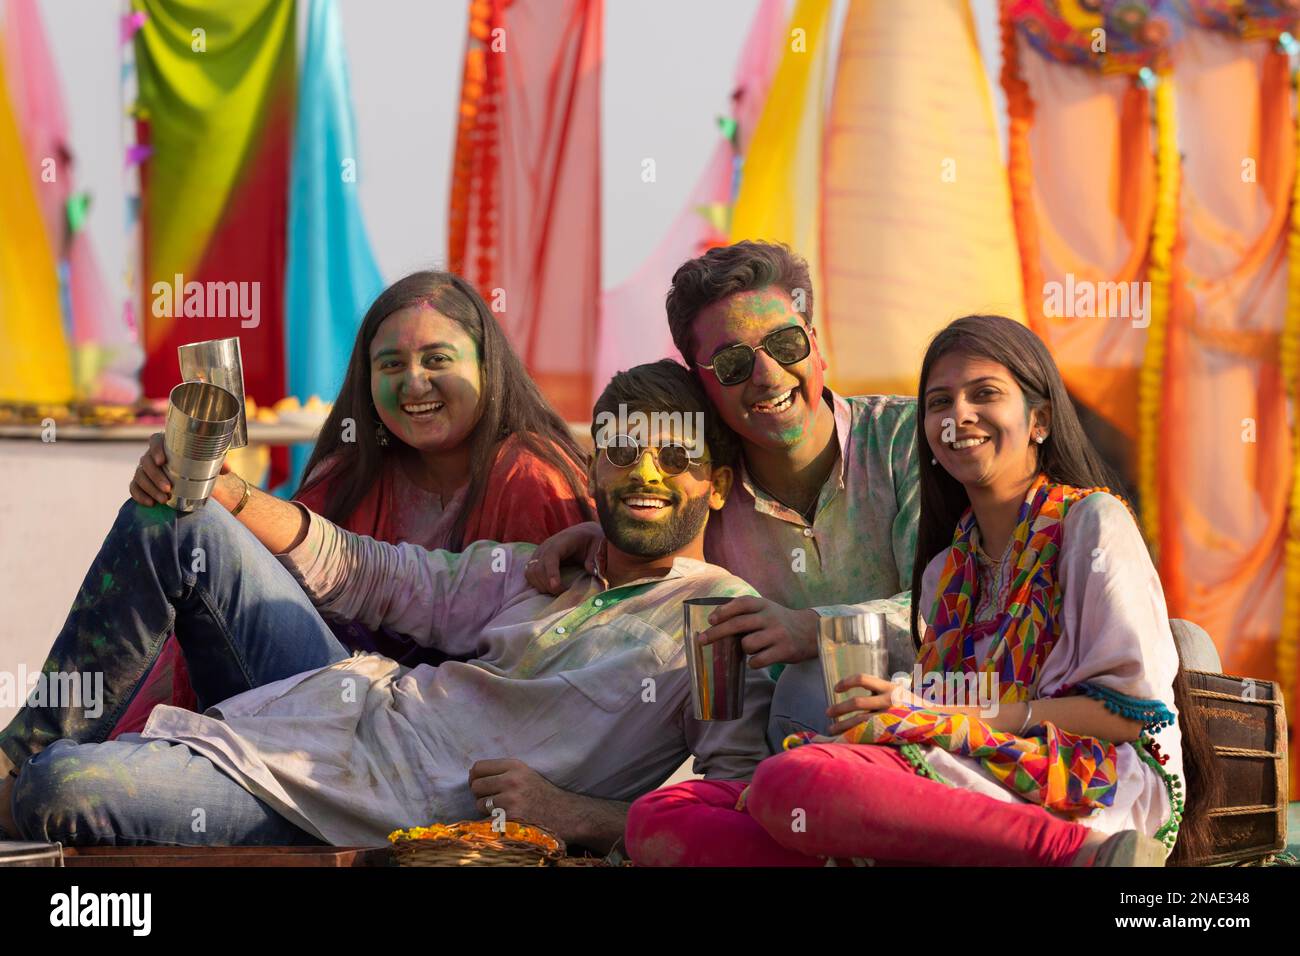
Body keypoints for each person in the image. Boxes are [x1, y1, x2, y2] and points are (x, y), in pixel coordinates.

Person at [0, 360, 772, 853]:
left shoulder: (714, 622)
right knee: (180, 518)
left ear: (720, 485)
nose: (646, 475)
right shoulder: (543, 570)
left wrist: (576, 814)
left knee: (60, 788)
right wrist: (228, 490)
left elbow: (730, 808)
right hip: (344, 701)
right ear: (594, 466)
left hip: (359, 804)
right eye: (623, 454)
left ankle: (27, 778)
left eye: (676, 461)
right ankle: (13, 751)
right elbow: (371, 573)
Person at [623, 315, 1218, 867]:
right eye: (939, 403)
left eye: (984, 394)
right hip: (963, 771)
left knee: (793, 781)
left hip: (1086, 780)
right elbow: (948, 708)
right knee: (663, 814)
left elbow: (1128, 717)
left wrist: (939, 715)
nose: (958, 416)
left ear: (1039, 420)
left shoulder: (1092, 524)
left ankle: (1076, 855)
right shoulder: (947, 570)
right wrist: (895, 710)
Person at [110, 271, 595, 736]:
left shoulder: (533, 478)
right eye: (391, 364)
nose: (414, 382)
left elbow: (548, 670)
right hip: (312, 711)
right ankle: (63, 748)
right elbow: (228, 595)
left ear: (487, 367)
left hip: (435, 743)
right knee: (172, 516)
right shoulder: (352, 473)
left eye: (438, 360)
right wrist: (186, 476)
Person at [527, 241, 918, 749]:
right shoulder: (702, 491)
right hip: (777, 750)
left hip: (931, 720)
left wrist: (817, 631)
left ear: (816, 344)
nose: (768, 375)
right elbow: (650, 553)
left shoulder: (905, 439)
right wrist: (599, 539)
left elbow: (952, 612)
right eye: (733, 363)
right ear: (702, 387)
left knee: (809, 679)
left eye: (786, 344)